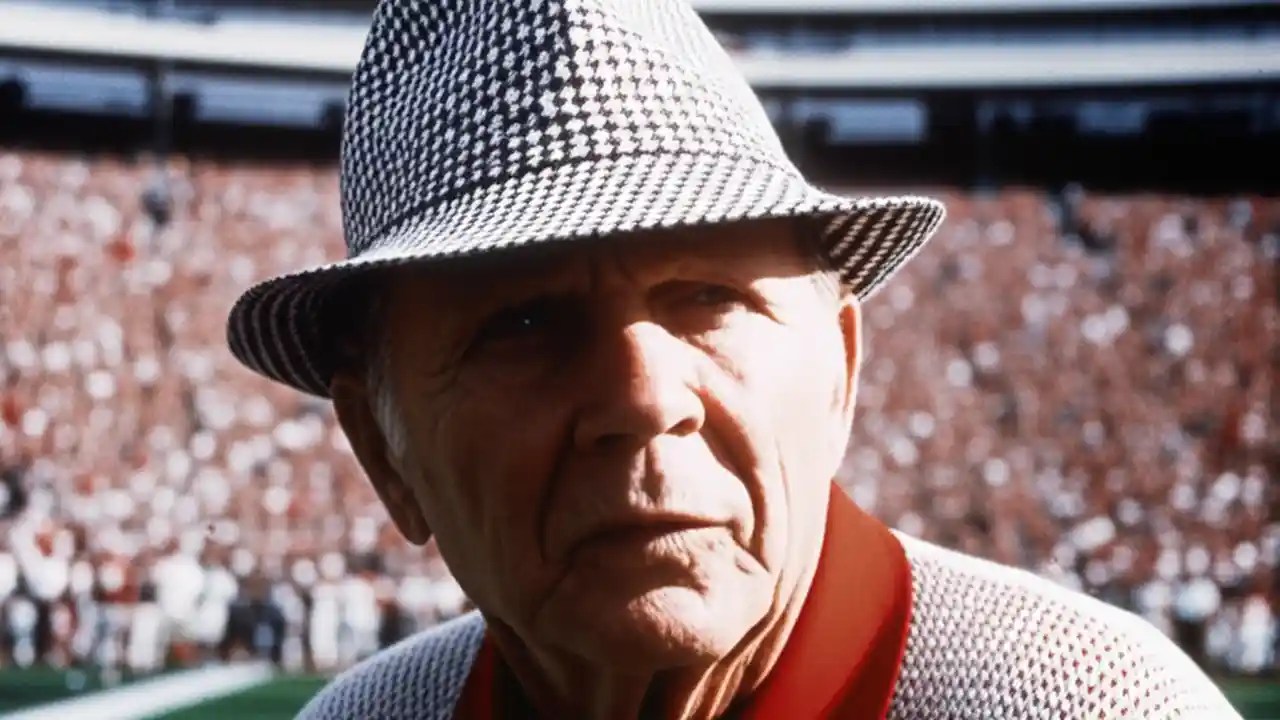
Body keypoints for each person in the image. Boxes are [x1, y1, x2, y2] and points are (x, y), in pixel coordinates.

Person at [224, 0, 1240, 717]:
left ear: (839, 369)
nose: (641, 397)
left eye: (708, 298)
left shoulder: (1091, 707)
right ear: (383, 451)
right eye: (523, 325)